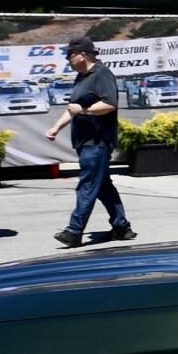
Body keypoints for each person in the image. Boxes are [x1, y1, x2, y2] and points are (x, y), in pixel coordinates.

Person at [44, 37, 135, 248]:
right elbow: (72, 109)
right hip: (84, 141)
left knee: (87, 185)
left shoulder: (101, 74)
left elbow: (109, 104)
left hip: (98, 141)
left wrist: (84, 111)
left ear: (83, 54)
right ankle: (122, 227)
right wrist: (56, 127)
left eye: (70, 54)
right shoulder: (81, 77)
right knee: (102, 185)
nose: (67, 58)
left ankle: (74, 231)